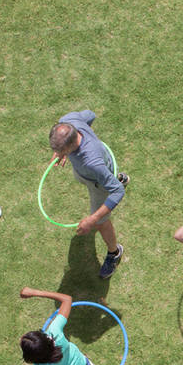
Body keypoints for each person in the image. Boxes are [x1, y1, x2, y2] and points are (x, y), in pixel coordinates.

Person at [49, 110, 129, 278]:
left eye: (63, 150)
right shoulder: (68, 120)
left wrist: (92, 219)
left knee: (100, 221)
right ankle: (116, 177)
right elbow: (90, 115)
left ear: (71, 145)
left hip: (97, 182)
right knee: (106, 177)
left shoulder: (92, 162)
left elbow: (117, 192)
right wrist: (61, 152)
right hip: (93, 168)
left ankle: (114, 252)